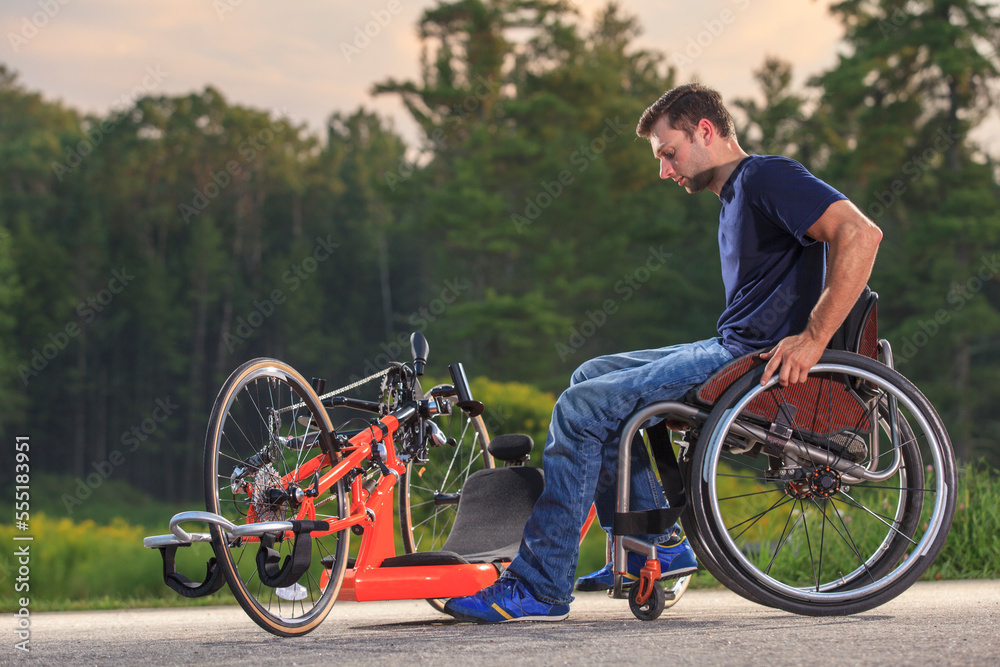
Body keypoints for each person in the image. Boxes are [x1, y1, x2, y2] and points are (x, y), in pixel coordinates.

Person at [443, 83, 883, 623]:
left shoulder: (768, 176)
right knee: (590, 376)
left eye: (668, 153)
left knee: (581, 410)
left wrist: (813, 339)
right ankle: (657, 543)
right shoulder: (735, 195)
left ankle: (540, 584)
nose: (664, 171)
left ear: (705, 130)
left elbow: (859, 233)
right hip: (734, 345)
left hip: (753, 359)